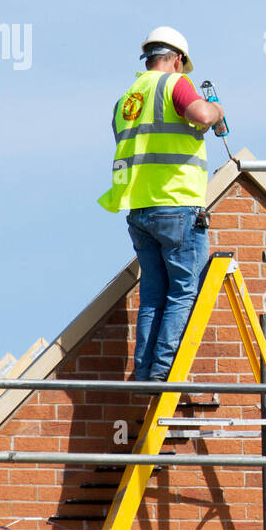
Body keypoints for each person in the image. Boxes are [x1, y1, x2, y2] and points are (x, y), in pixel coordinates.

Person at [98, 26, 227, 382]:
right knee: (185, 290)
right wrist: (215, 110)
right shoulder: (175, 84)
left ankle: (144, 372)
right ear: (178, 60)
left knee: (155, 292)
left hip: (139, 208)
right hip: (176, 204)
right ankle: (164, 371)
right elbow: (200, 115)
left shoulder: (127, 99)